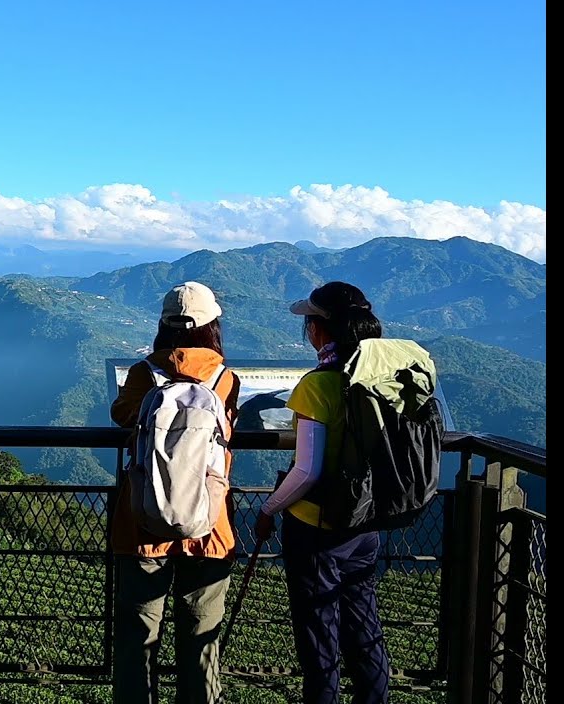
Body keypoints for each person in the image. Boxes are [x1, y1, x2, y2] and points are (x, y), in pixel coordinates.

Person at [254, 281, 390, 704]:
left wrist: (269, 508)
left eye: (309, 323)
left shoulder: (317, 386)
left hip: (317, 528)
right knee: (364, 627)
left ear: (319, 330)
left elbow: (307, 471)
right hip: (366, 523)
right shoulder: (380, 379)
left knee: (319, 638)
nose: (307, 330)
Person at [111, 281, 241, 704]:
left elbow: (122, 415)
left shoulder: (143, 374)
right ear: (211, 327)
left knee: (138, 637)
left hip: (143, 521)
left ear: (164, 325)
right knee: (202, 634)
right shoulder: (226, 379)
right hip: (209, 523)